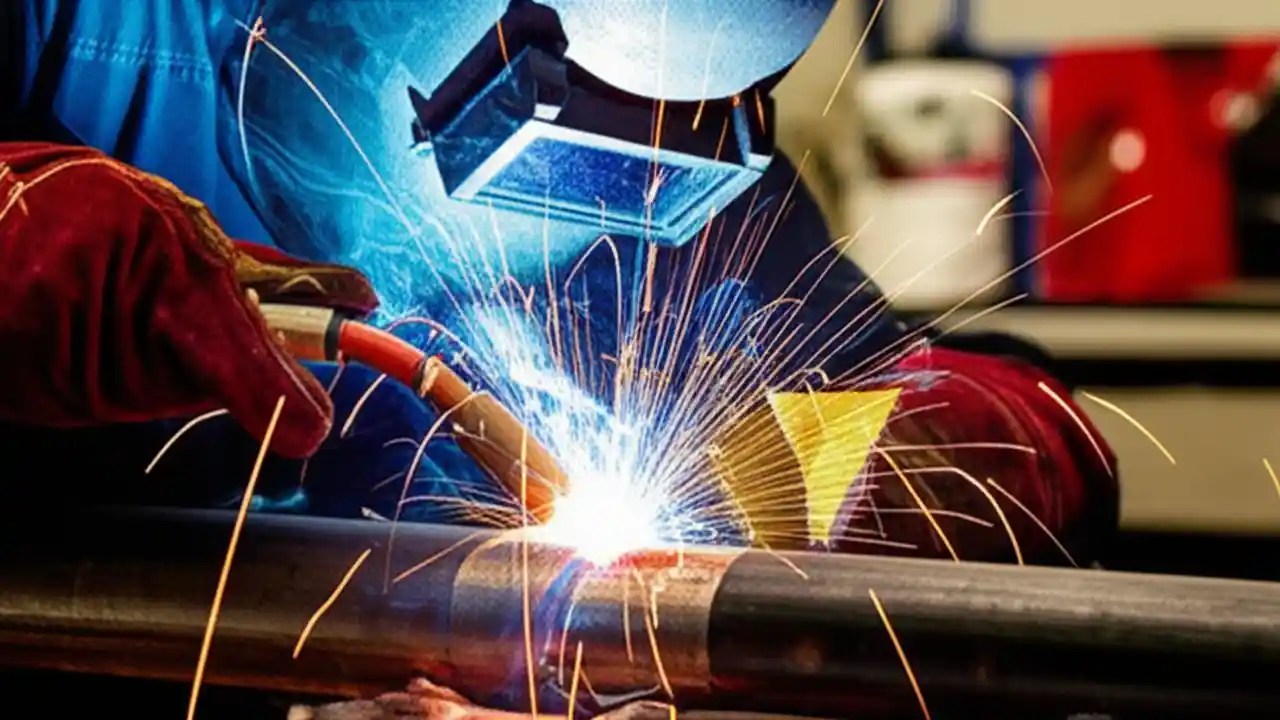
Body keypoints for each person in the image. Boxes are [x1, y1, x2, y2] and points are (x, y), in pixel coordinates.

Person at [3, 0, 1115, 590]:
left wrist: (989, 439)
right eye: (539, 112)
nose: (591, 195)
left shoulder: (666, 182)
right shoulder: (77, 30)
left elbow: (1005, 428)